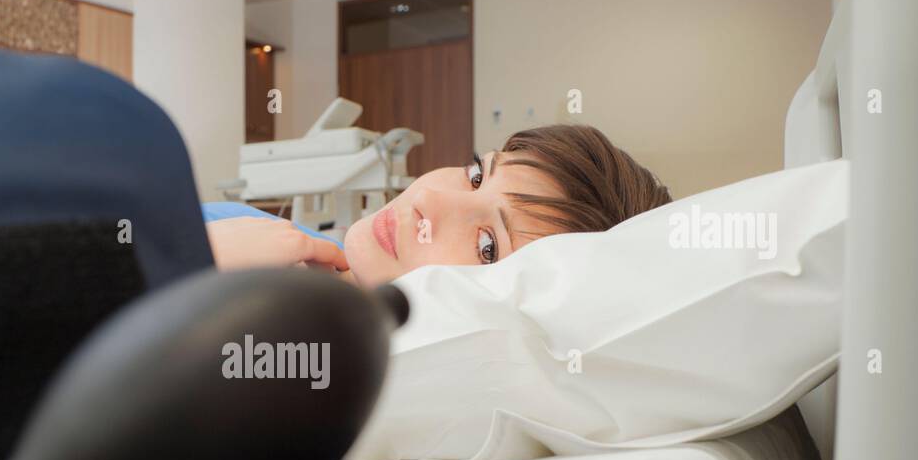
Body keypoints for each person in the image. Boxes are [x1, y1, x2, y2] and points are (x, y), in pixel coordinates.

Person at [205, 124, 672, 287]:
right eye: (476, 175)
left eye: (488, 246)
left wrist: (185, 264)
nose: (427, 199)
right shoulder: (264, 236)